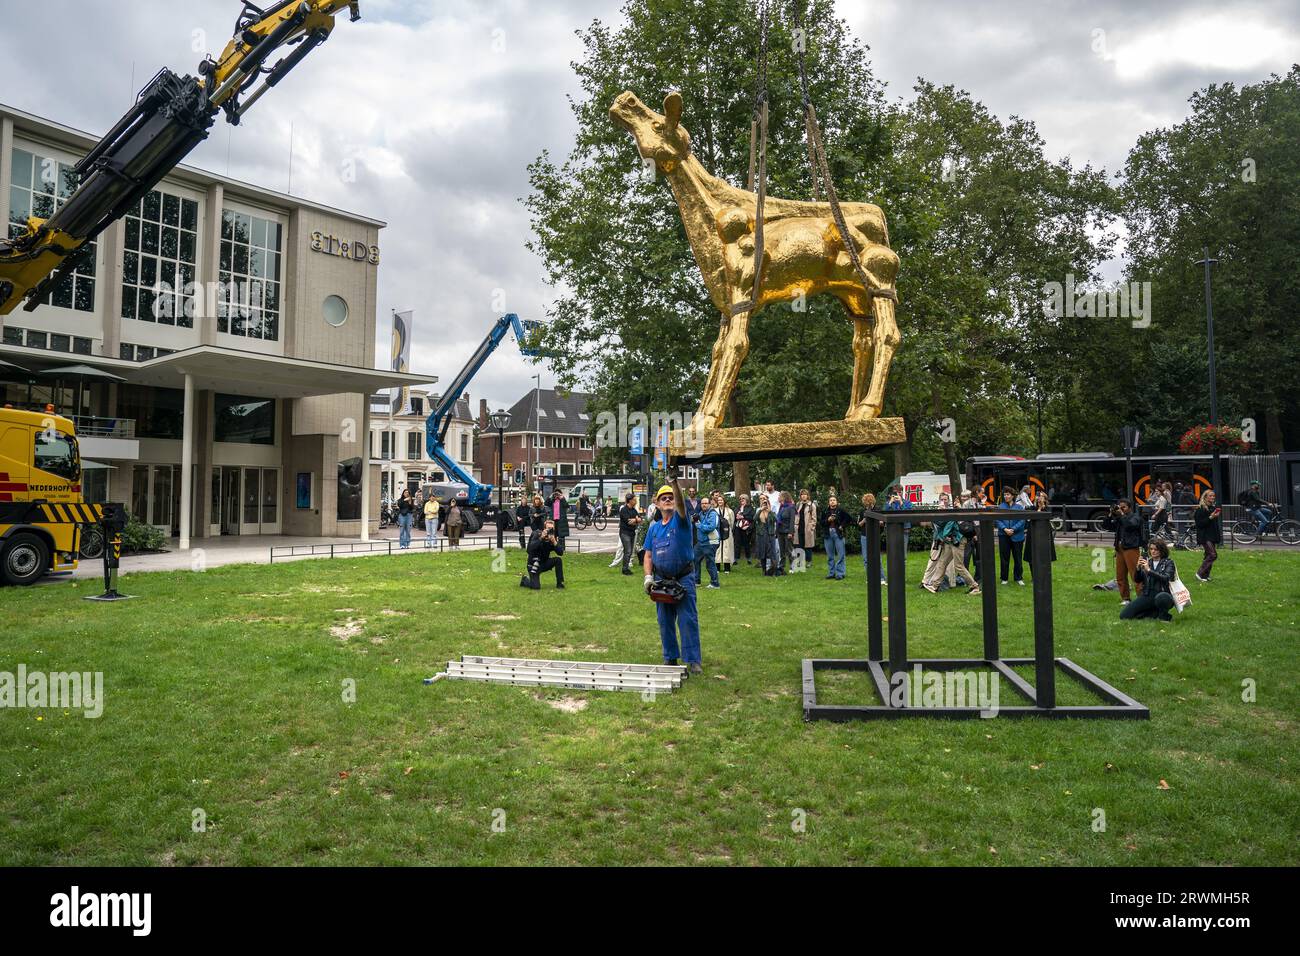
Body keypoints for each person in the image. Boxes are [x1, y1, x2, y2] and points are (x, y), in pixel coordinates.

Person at [643, 480, 703, 674]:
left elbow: (681, 504)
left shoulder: (681, 519)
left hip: (683, 577)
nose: (668, 499)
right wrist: (648, 577)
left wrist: (674, 483)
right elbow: (648, 555)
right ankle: (670, 658)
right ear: (658, 504)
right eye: (663, 498)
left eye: (670, 497)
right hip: (661, 580)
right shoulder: (653, 528)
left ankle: (693, 660)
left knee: (687, 619)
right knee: (665, 620)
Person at [1102, 498, 1147, 603]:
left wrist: (1121, 515)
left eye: (1124, 507)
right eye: (1119, 507)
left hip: (1131, 548)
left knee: (1135, 574)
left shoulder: (1135, 517)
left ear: (1129, 508)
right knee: (1120, 575)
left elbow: (1130, 525)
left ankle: (1142, 598)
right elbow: (1105, 526)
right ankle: (1125, 598)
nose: (1121, 509)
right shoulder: (1119, 518)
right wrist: (1110, 514)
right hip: (1120, 548)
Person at [1120, 539, 1177, 621]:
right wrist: (1138, 568)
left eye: (1156, 549)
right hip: (1148, 594)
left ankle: (1164, 616)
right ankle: (1154, 613)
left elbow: (1166, 578)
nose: (1153, 551)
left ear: (1162, 550)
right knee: (1124, 615)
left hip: (1163, 593)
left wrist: (1149, 571)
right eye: (1151, 549)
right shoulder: (1148, 562)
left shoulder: (1168, 562)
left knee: (1162, 598)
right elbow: (1137, 580)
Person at [521, 518, 565, 589]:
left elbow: (560, 553)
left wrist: (554, 542)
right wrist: (541, 538)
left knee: (558, 560)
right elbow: (529, 549)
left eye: (552, 529)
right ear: (544, 529)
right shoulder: (536, 534)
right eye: (548, 528)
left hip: (544, 563)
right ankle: (525, 580)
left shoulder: (552, 538)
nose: (550, 530)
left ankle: (560, 583)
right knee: (536, 587)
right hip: (534, 564)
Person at [996, 488, 1026, 586]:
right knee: (1004, 557)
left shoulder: (1019, 507)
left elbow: (1022, 520)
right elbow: (997, 520)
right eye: (1005, 495)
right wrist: (1005, 529)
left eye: (1008, 494)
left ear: (1012, 496)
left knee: (1017, 557)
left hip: (1017, 536)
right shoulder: (1000, 507)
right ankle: (1004, 578)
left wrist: (1013, 529)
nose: (1006, 496)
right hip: (1003, 535)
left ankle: (1018, 577)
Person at [1023, 491, 1057, 569]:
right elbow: (1034, 517)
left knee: (1044, 554)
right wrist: (1039, 508)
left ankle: (1044, 572)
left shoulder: (1048, 508)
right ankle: (1033, 575)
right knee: (1031, 554)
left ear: (1045, 499)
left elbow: (1048, 517)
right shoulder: (1032, 508)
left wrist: (1043, 507)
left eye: (1042, 496)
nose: (1040, 498)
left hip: (1044, 534)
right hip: (1033, 533)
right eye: (1038, 496)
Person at [821, 495, 852, 580]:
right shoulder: (825, 511)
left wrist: (842, 525)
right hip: (828, 533)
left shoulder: (841, 510)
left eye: (834, 500)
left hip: (838, 533)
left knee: (841, 554)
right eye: (830, 500)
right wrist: (828, 520)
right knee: (830, 555)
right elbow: (821, 522)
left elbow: (848, 518)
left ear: (837, 502)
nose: (832, 501)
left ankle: (840, 573)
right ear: (828, 502)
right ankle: (831, 573)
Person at [1193, 490, 1222, 582]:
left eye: (1213, 496)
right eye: (1210, 496)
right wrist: (1211, 517)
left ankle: (1205, 575)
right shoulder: (1200, 509)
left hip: (1212, 535)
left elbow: (1213, 524)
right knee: (1213, 555)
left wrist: (1215, 516)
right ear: (1205, 497)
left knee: (1208, 555)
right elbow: (1199, 524)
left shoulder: (1213, 508)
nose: (1212, 498)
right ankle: (1200, 573)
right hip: (1204, 536)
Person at [693, 496, 721, 589]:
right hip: (701, 542)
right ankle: (696, 581)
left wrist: (699, 525)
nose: (704, 505)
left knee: (710, 562)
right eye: (702, 503)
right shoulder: (701, 513)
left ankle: (715, 583)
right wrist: (694, 519)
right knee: (694, 559)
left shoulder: (713, 514)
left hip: (711, 542)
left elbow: (711, 527)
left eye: (706, 503)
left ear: (710, 504)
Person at [857, 492, 885, 582]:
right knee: (866, 558)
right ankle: (870, 578)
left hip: (875, 535)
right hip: (864, 536)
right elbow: (859, 524)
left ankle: (881, 578)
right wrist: (864, 520)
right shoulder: (862, 511)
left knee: (877, 557)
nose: (868, 506)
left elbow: (882, 523)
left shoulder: (878, 510)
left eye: (870, 504)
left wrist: (875, 519)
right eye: (866, 504)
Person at [617, 492, 641, 575]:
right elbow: (629, 522)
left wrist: (636, 520)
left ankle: (626, 568)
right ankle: (625, 569)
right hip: (625, 533)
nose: (636, 501)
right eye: (634, 500)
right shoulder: (623, 509)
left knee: (630, 552)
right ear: (630, 500)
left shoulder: (634, 510)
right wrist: (636, 520)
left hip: (632, 533)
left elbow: (640, 519)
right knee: (628, 551)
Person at [794, 489, 818, 569]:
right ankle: (800, 561)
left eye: (805, 494)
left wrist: (812, 527)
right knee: (799, 545)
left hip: (807, 528)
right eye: (802, 494)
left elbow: (814, 518)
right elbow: (795, 515)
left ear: (808, 496)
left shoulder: (811, 505)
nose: (803, 496)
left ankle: (809, 561)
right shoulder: (798, 504)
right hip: (799, 528)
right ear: (800, 496)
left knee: (808, 546)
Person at [755, 497, 778, 576]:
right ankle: (764, 570)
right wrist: (761, 509)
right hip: (761, 535)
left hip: (770, 535)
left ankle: (773, 570)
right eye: (763, 503)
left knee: (772, 553)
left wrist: (770, 511)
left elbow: (776, 520)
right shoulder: (759, 511)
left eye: (766, 503)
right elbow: (754, 519)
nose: (765, 505)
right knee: (762, 553)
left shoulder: (772, 512)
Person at [714, 492, 735, 573]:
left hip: (727, 531)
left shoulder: (730, 511)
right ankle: (717, 568)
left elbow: (732, 522)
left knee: (727, 548)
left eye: (721, 500)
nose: (720, 502)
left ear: (724, 501)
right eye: (718, 500)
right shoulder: (714, 511)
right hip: (717, 532)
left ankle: (727, 567)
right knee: (717, 549)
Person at [776, 491, 796, 575]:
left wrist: (790, 532)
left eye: (779, 496)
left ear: (784, 497)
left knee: (789, 550)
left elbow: (792, 521)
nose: (778, 497)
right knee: (782, 550)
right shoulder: (781, 506)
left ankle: (792, 566)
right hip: (780, 531)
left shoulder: (791, 507)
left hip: (787, 531)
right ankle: (781, 566)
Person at [734, 493, 755, 564]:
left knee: (746, 543)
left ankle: (748, 559)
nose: (741, 500)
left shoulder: (750, 508)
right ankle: (736, 559)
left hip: (746, 528)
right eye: (740, 499)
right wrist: (737, 516)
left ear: (747, 500)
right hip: (738, 527)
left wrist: (743, 517)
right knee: (737, 543)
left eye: (743, 498)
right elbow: (735, 514)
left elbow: (752, 517)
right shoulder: (737, 507)